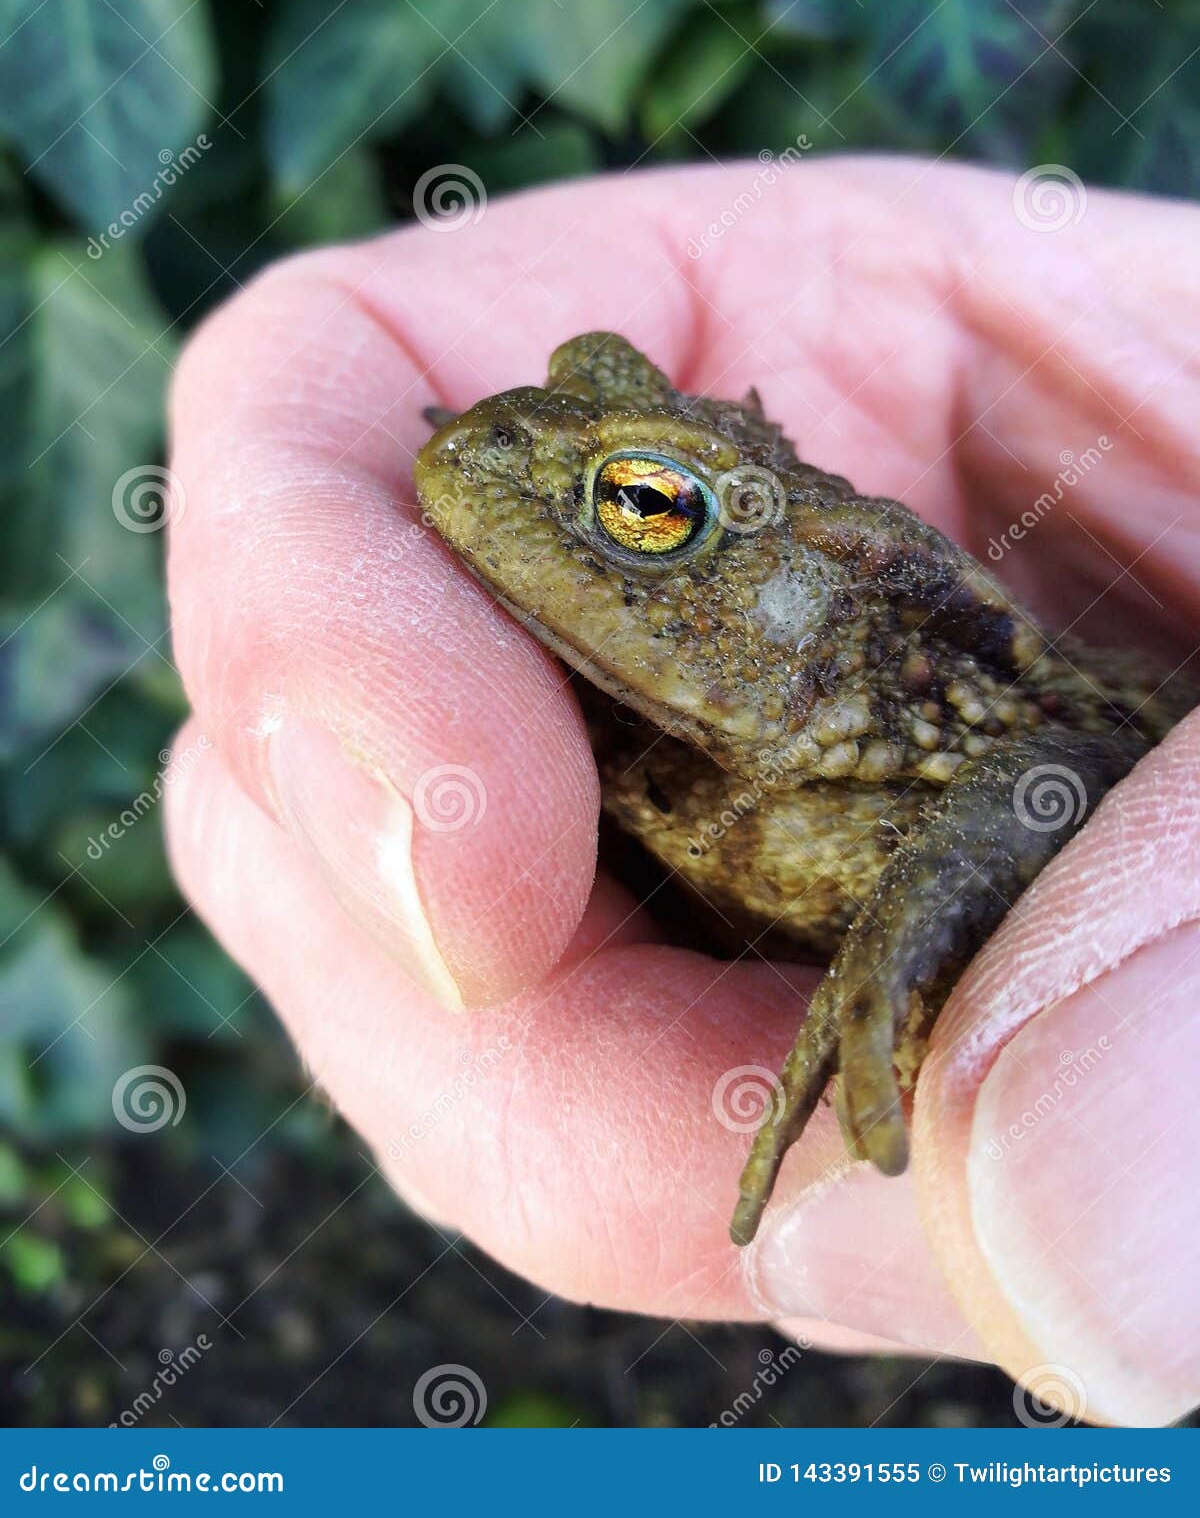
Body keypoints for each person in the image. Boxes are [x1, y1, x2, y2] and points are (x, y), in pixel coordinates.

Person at [163, 158, 1200, 1428]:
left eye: (644, 505)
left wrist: (897, 950)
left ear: (799, 613)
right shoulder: (665, 729)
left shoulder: (875, 756)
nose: (495, 443)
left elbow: (1066, 771)